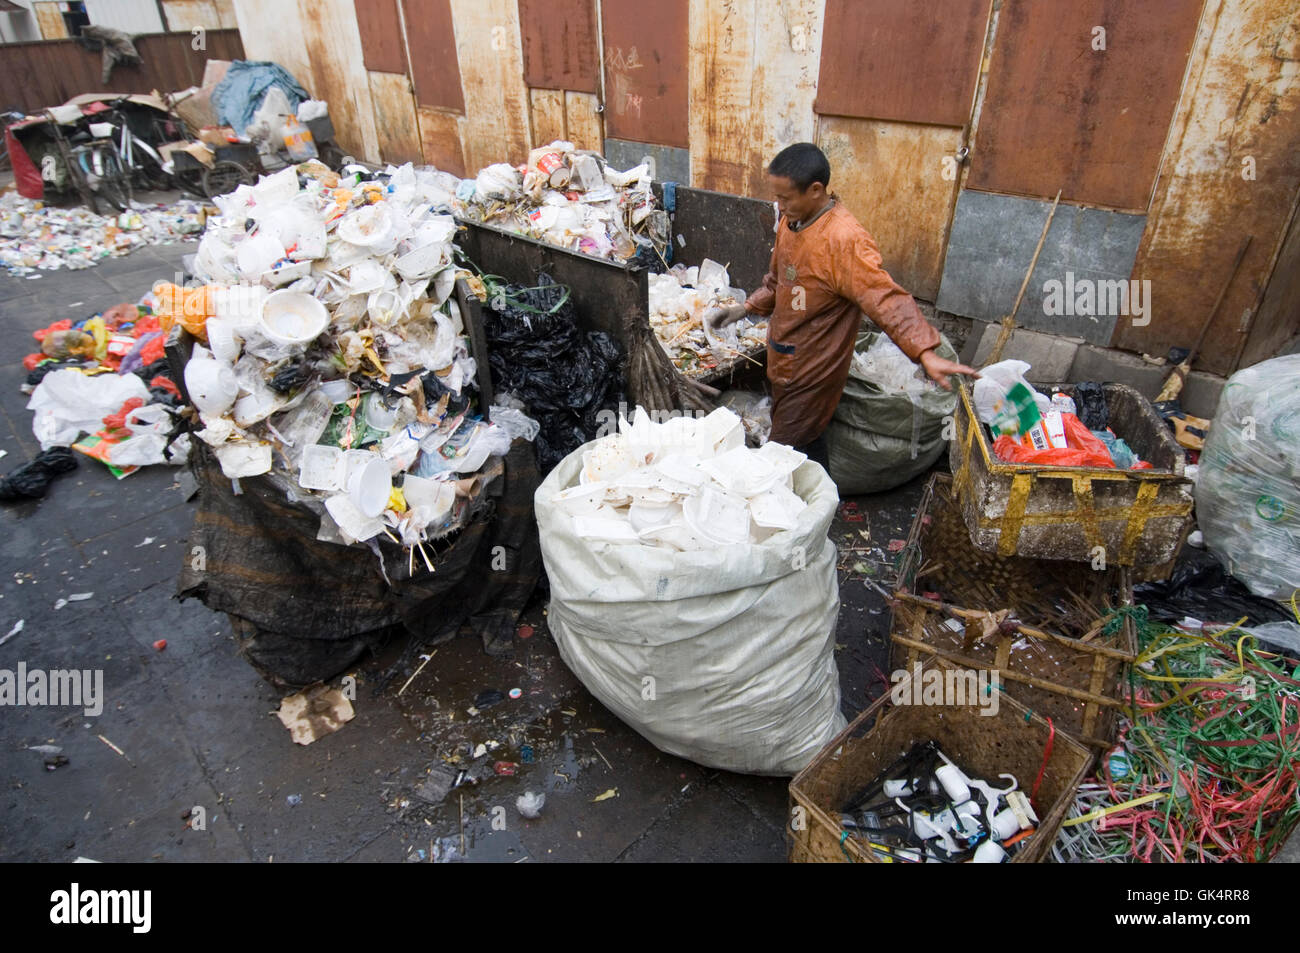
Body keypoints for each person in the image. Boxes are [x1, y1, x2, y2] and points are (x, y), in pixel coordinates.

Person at [705, 143, 978, 469]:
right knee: (802, 442)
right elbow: (779, 283)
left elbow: (884, 296)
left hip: (813, 368)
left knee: (781, 453)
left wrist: (924, 350)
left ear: (816, 190)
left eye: (786, 198)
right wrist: (744, 309)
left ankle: (805, 510)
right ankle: (819, 488)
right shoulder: (791, 222)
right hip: (783, 355)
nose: (779, 206)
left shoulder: (844, 240)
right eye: (777, 197)